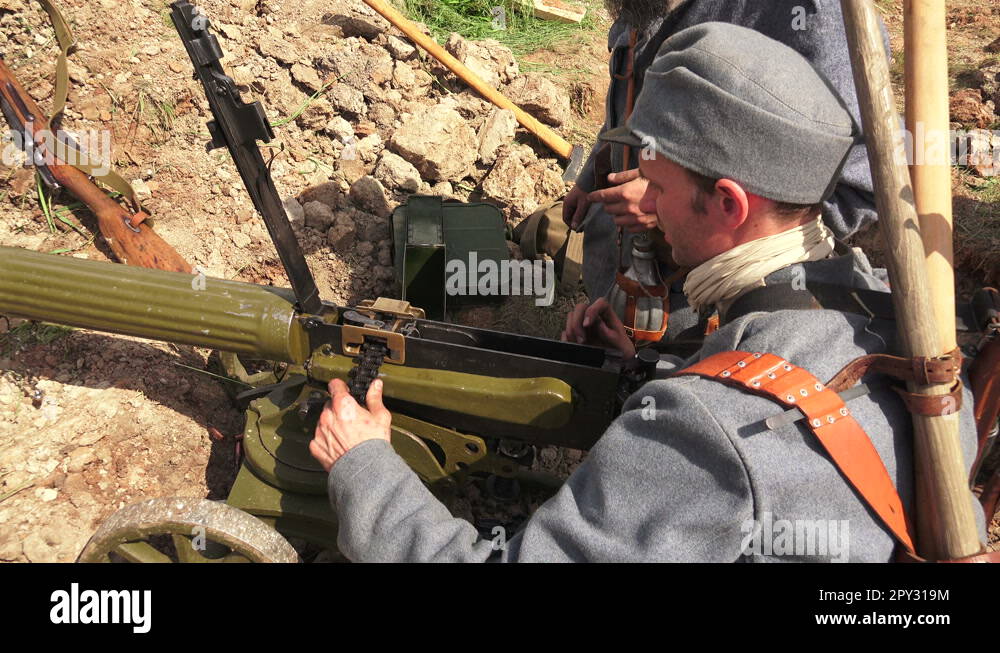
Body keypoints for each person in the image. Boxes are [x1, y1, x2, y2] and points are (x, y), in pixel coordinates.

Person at [309, 23, 984, 562]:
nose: (647, 209)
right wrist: (650, 371)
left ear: (728, 203)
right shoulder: (905, 326)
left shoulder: (708, 428)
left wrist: (366, 465)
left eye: (656, 190)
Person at [565, 0, 887, 336]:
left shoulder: (813, 15)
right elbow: (631, 102)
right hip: (619, 264)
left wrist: (672, 203)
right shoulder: (644, 5)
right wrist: (590, 180)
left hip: (701, 310)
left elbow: (852, 186)